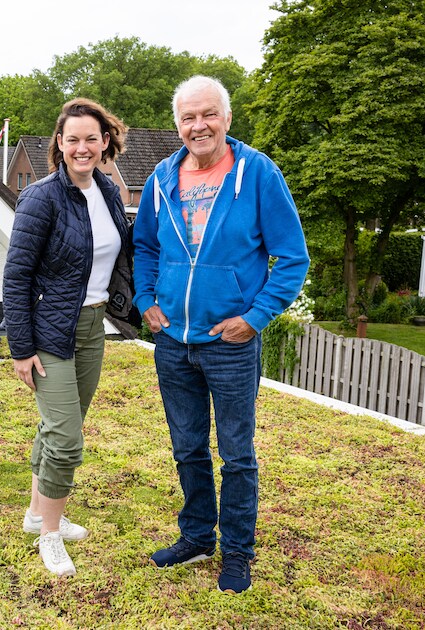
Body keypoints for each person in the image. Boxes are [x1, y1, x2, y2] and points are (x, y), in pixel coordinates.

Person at [132, 76, 309, 593]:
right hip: (173, 343)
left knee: (237, 455)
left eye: (208, 114)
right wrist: (146, 300)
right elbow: (143, 246)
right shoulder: (162, 177)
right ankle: (195, 537)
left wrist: (256, 317)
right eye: (188, 117)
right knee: (187, 447)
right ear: (178, 124)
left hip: (230, 346)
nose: (198, 125)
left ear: (227, 119)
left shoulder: (257, 175)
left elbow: (292, 258)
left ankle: (236, 552)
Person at [2, 98, 131, 577]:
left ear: (105, 143)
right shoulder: (41, 197)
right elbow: (16, 277)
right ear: (59, 143)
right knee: (66, 438)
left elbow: (121, 255)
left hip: (94, 327)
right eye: (72, 139)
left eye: (91, 139)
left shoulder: (109, 192)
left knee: (56, 427)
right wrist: (21, 348)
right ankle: (50, 537)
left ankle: (37, 513)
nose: (82, 147)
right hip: (49, 332)